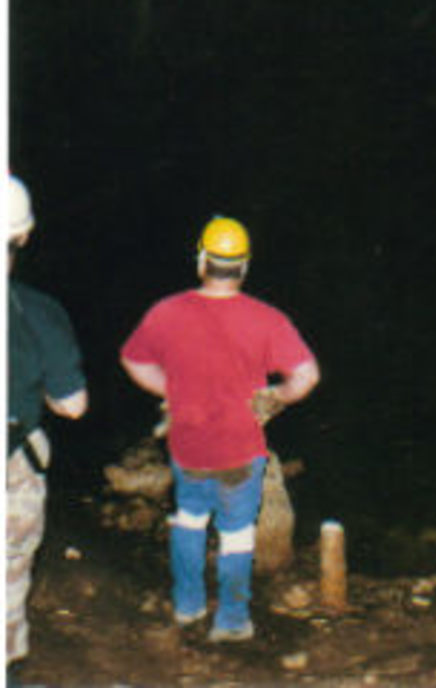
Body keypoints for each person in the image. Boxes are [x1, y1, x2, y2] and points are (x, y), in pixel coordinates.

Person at [120, 216, 319, 643]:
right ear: (244, 267)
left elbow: (133, 359)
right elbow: (307, 376)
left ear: (202, 261)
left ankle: (188, 606)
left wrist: (170, 387)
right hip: (241, 449)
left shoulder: (168, 311)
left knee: (189, 520)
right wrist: (277, 395)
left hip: (189, 446)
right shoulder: (267, 319)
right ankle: (231, 620)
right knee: (237, 534)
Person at [7, 175, 89, 667]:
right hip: (11, 462)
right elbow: (72, 404)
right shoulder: (37, 312)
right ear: (23, 236)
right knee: (8, 575)